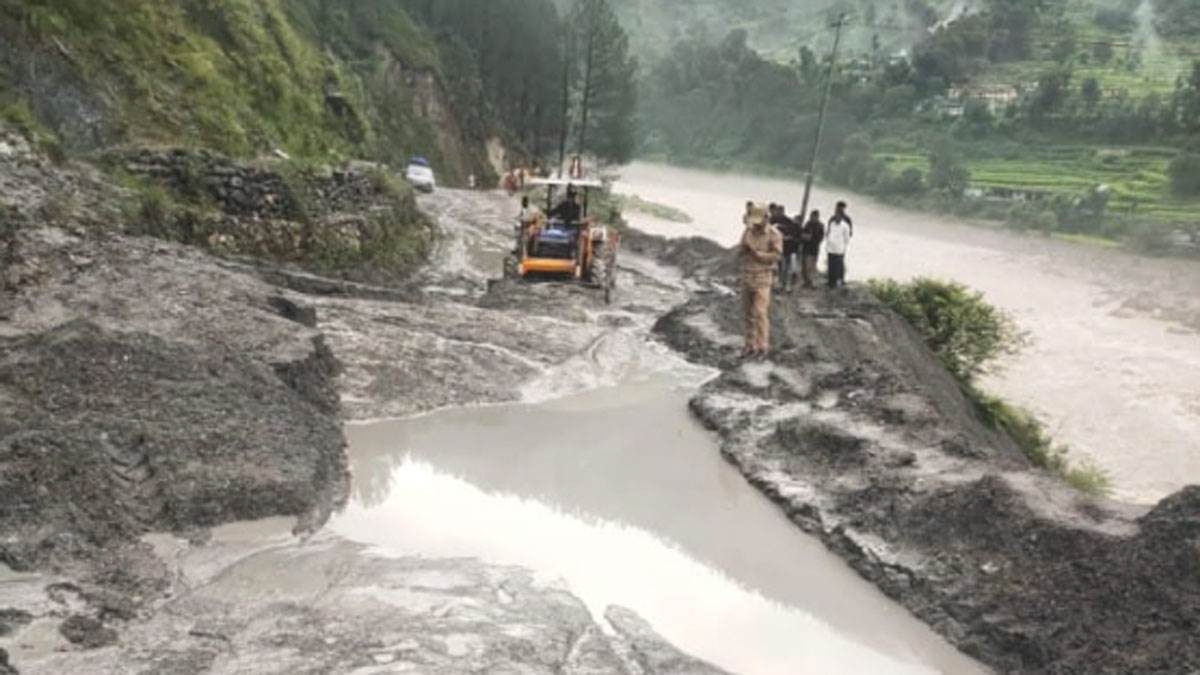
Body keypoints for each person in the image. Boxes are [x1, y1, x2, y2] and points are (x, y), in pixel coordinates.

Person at [740, 203, 782, 357]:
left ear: (766, 217)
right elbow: (741, 248)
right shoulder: (748, 231)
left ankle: (762, 346)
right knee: (747, 313)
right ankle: (749, 345)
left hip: (763, 278)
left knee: (760, 312)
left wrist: (759, 255)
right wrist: (743, 250)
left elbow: (777, 256)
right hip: (747, 276)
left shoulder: (774, 234)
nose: (756, 225)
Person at [771, 204, 801, 292]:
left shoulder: (790, 223)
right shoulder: (773, 220)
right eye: (778, 211)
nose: (779, 213)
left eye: (780, 211)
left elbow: (798, 236)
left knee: (789, 268)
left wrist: (789, 238)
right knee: (780, 267)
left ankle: (787, 285)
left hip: (791, 250)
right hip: (780, 248)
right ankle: (779, 284)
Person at [826, 206, 852, 289]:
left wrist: (843, 246)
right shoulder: (832, 223)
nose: (836, 217)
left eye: (838, 215)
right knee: (830, 264)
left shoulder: (845, 225)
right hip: (831, 248)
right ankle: (830, 281)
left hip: (840, 248)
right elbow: (829, 232)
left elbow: (847, 237)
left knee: (838, 265)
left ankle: (839, 280)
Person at [800, 209, 824, 289]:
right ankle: (806, 281)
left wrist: (810, 238)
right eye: (811, 216)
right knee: (805, 266)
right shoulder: (808, 224)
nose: (811, 218)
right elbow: (802, 233)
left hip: (813, 248)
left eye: (813, 216)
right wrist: (804, 237)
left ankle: (811, 282)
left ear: (816, 217)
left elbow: (820, 238)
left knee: (810, 266)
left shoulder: (820, 226)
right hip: (806, 247)